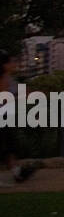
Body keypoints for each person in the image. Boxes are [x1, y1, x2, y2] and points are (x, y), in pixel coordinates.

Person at [0, 53, 32, 186]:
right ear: (4, 65)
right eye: (11, 62)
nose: (14, 64)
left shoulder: (9, 78)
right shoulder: (2, 79)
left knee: (10, 146)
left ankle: (17, 172)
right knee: (6, 145)